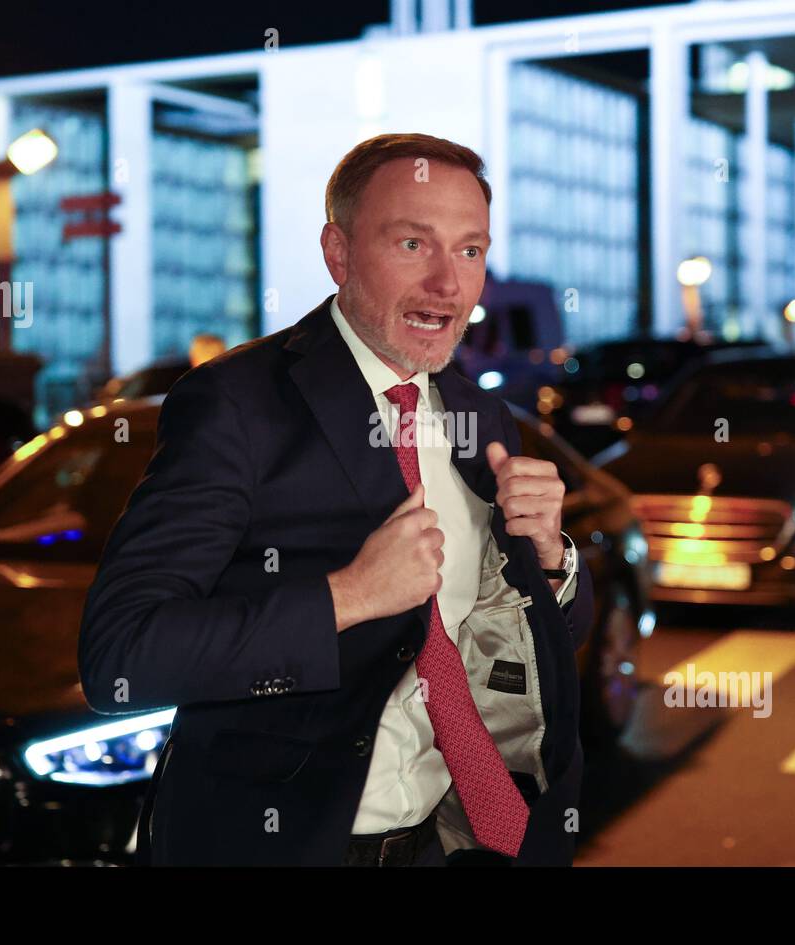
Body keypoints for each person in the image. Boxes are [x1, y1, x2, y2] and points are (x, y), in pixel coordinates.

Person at [77, 132, 592, 867]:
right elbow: (120, 655)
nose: (449, 283)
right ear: (339, 252)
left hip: (449, 842)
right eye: (414, 244)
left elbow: (546, 637)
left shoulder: (485, 417)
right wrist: (346, 597)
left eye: (471, 250)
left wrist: (550, 558)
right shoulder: (236, 404)